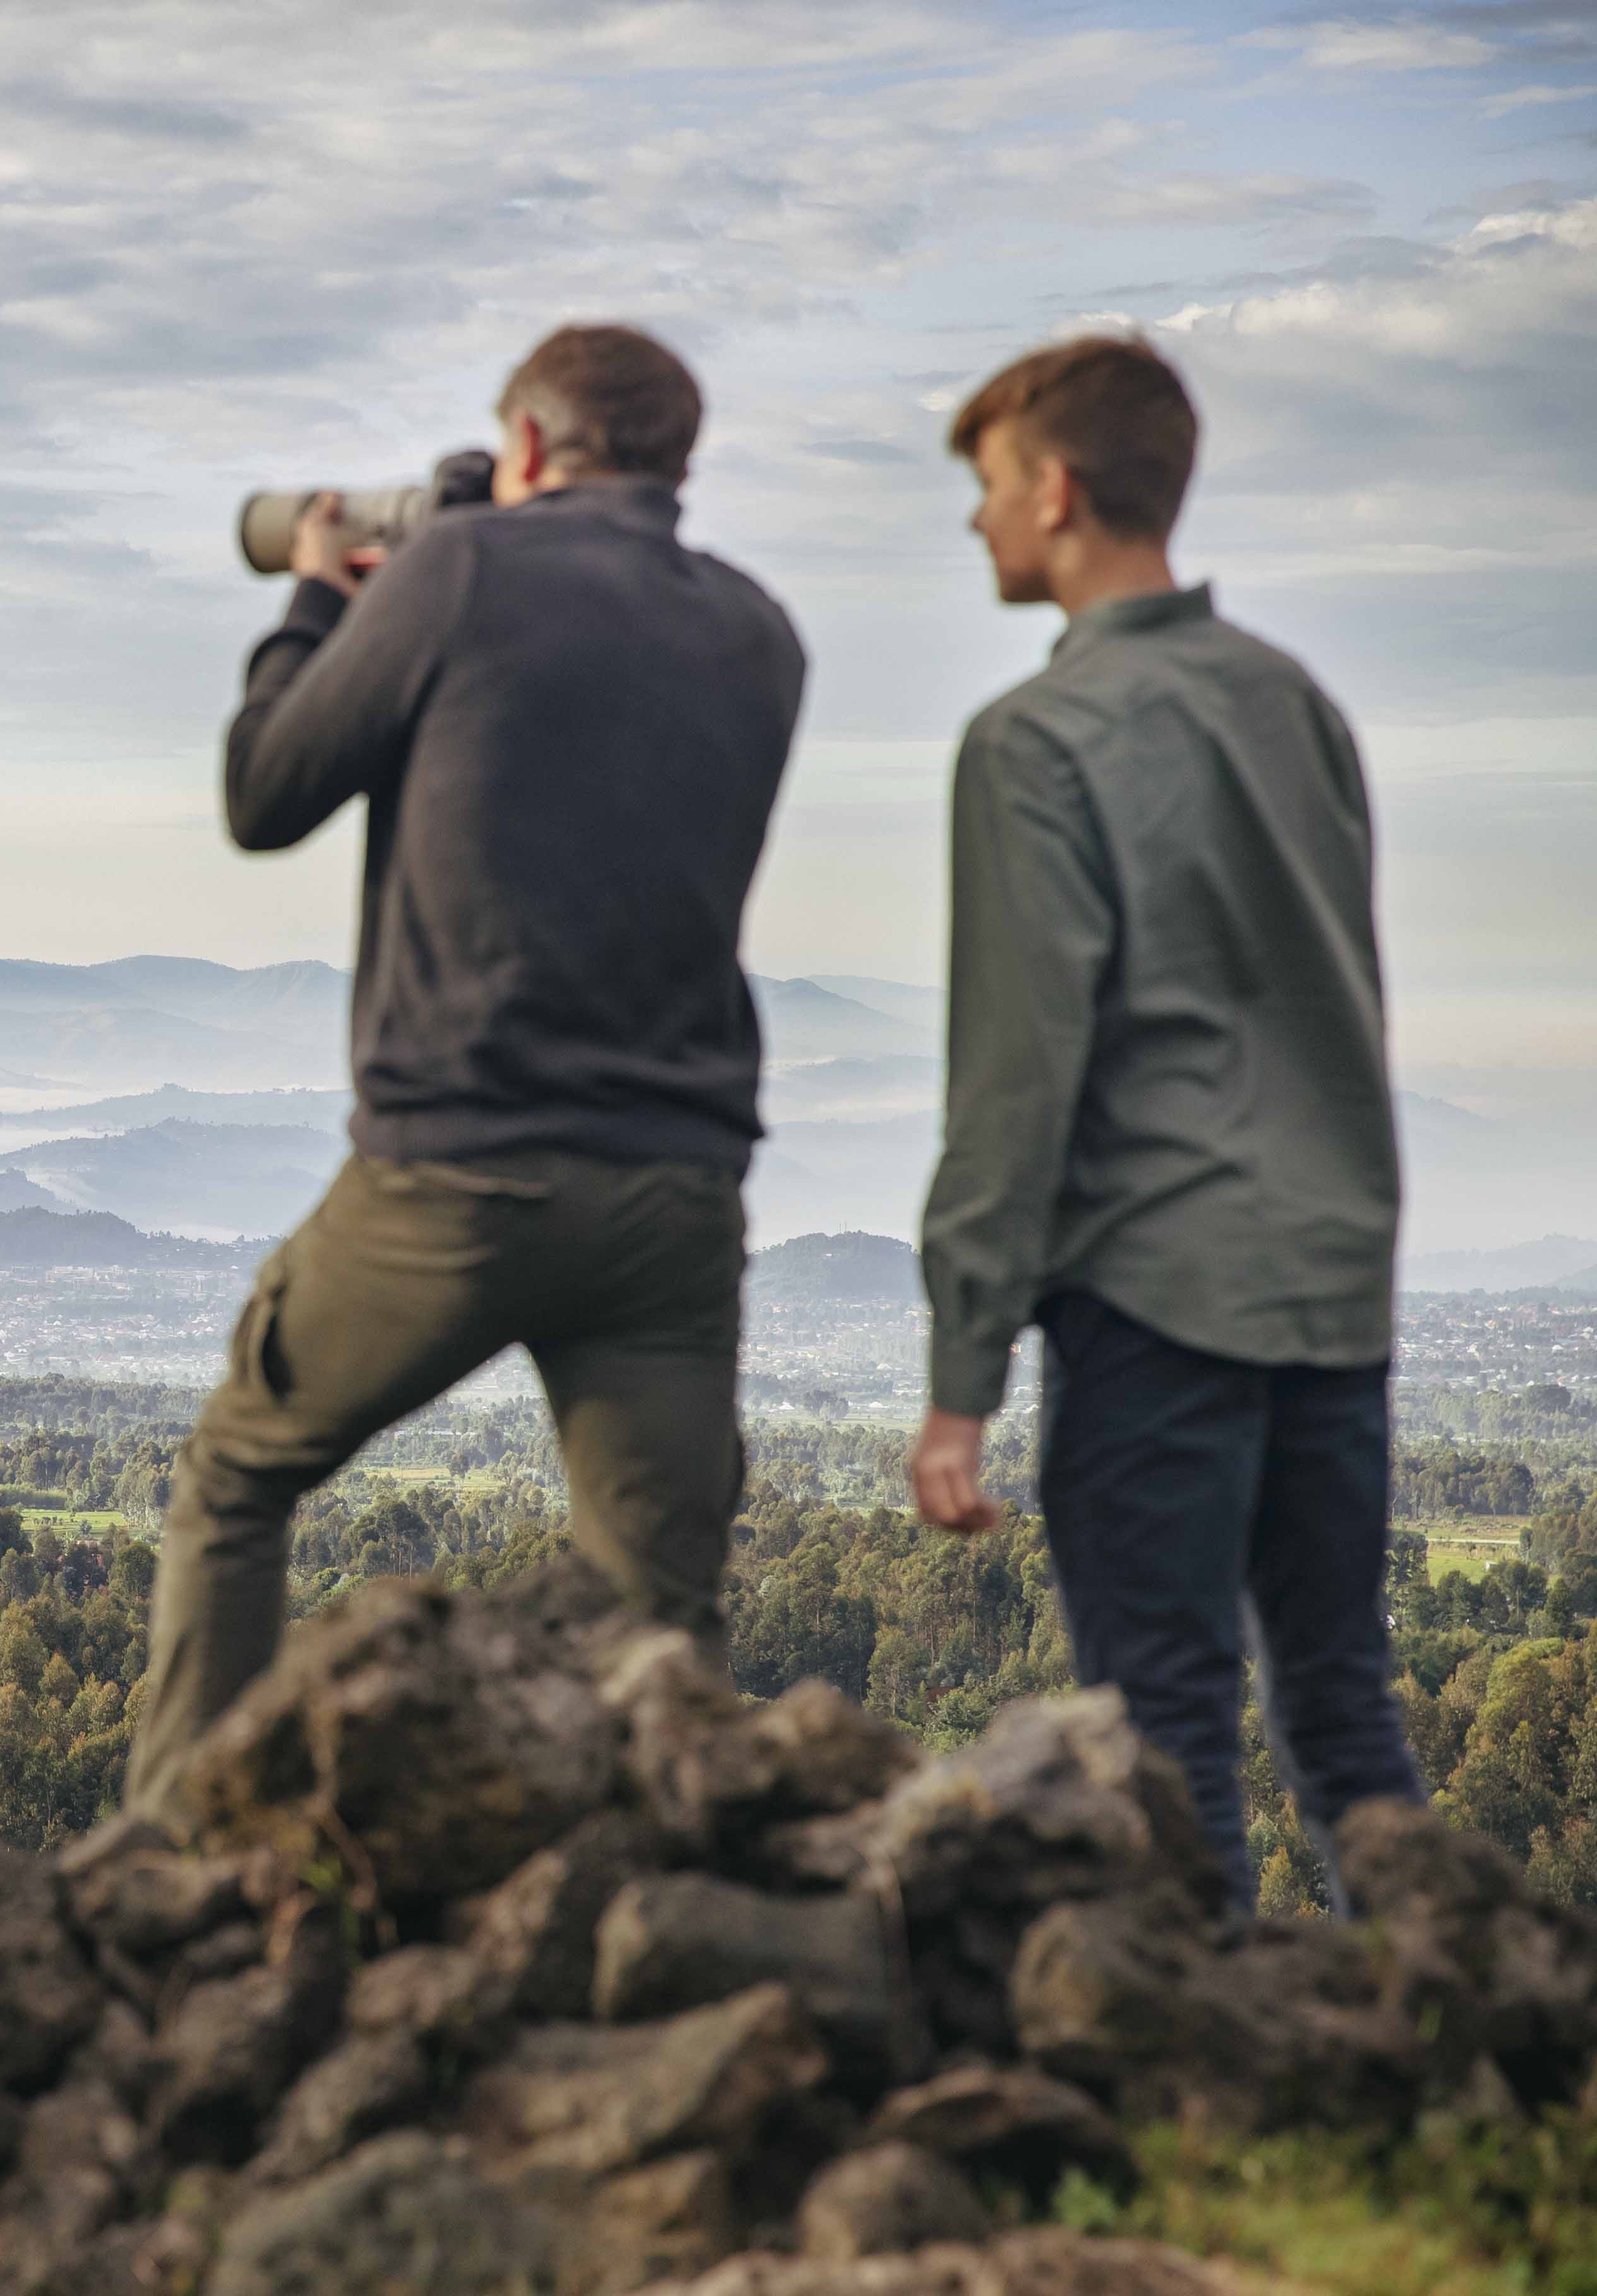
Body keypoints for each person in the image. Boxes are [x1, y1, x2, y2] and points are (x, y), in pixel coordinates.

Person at [125, 323, 808, 1806]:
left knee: (236, 1485)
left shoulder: (460, 574)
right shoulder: (760, 632)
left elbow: (264, 790)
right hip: (677, 1192)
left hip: (459, 1167)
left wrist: (318, 589)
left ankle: (166, 1870)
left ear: (534, 448)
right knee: (660, 1604)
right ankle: (642, 1917)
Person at [909, 335, 1426, 1913]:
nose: (980, 522)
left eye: (990, 488)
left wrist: (961, 1377)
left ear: (1057, 493)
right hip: (1333, 1290)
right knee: (1343, 1711)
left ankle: (1200, 2109)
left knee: (1164, 1732)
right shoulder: (1295, 703)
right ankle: (1474, 2070)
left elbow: (1018, 1078)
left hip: (1157, 1301)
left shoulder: (1036, 743)